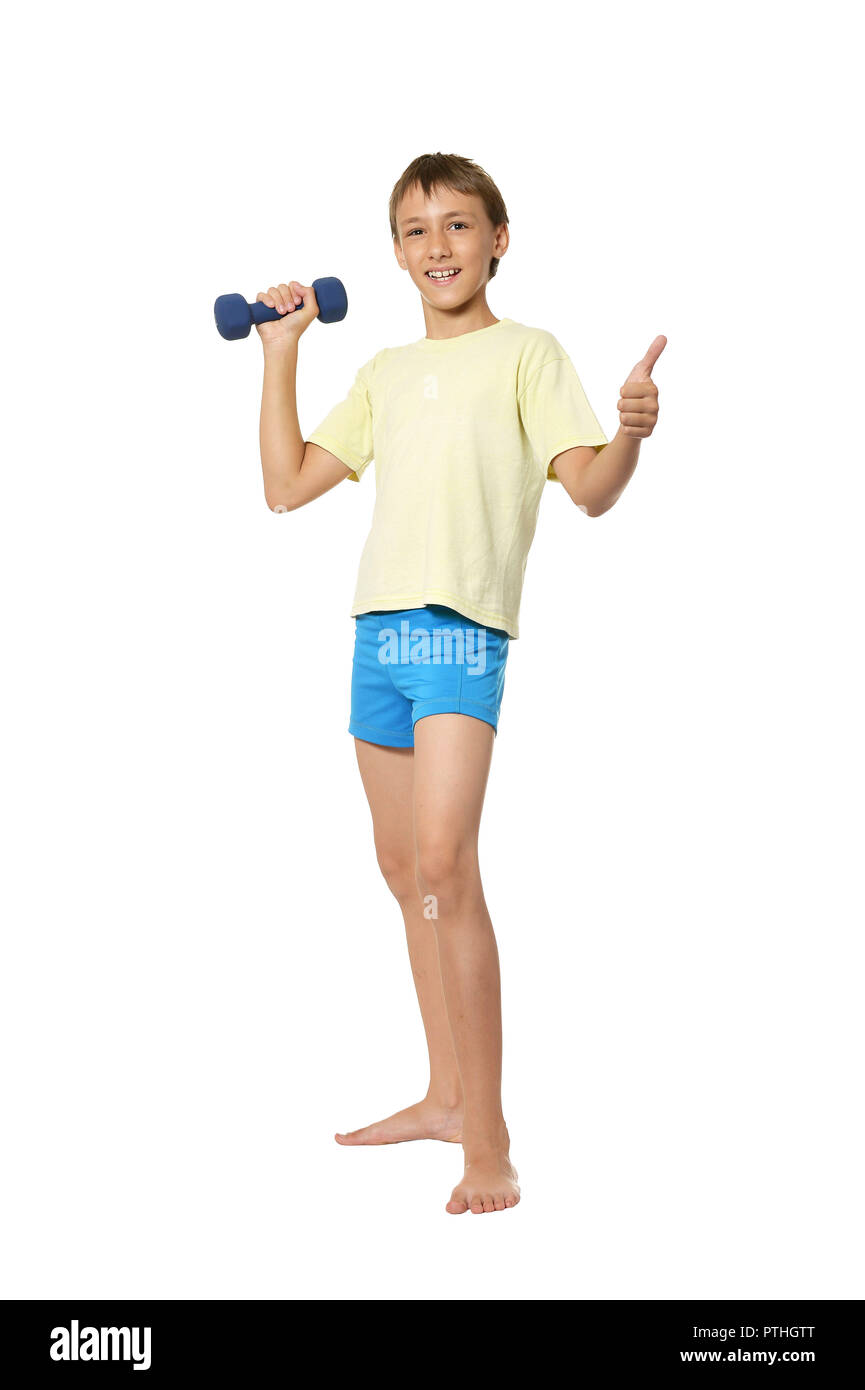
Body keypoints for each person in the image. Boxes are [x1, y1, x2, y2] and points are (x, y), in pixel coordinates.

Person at [255, 152, 665, 1215]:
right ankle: (442, 1093)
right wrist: (279, 352)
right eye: (414, 229)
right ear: (395, 252)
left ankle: (489, 1139)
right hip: (376, 635)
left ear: (499, 239)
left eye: (457, 225)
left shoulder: (529, 356)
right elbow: (286, 486)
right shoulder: (385, 372)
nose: (436, 245)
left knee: (446, 860)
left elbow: (589, 493)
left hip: (458, 635)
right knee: (404, 871)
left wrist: (625, 433)